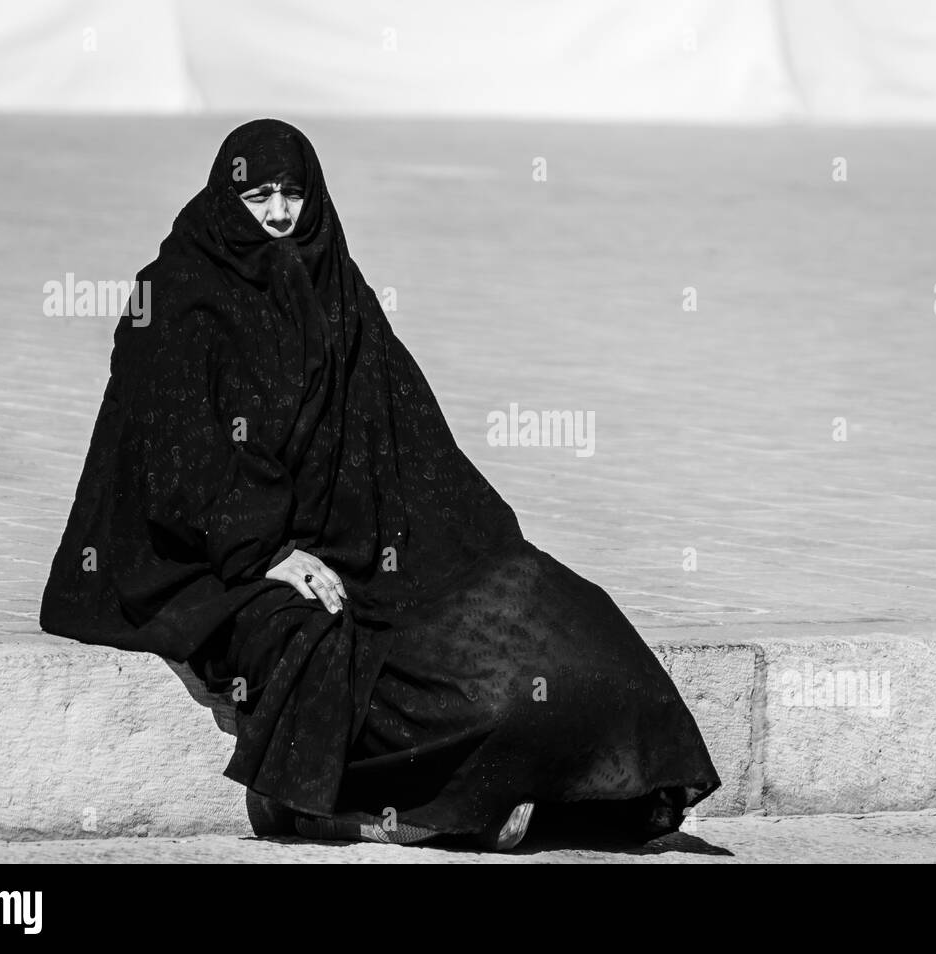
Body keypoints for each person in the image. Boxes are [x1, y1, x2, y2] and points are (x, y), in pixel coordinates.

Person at [39, 118, 721, 851]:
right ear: (226, 194)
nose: (277, 213)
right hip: (211, 557)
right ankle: (321, 804)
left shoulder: (331, 279)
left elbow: (402, 425)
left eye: (293, 194)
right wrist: (265, 551)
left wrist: (462, 540)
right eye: (261, 195)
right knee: (318, 636)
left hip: (354, 540)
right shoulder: (174, 295)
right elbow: (174, 459)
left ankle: (610, 797)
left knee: (552, 609)